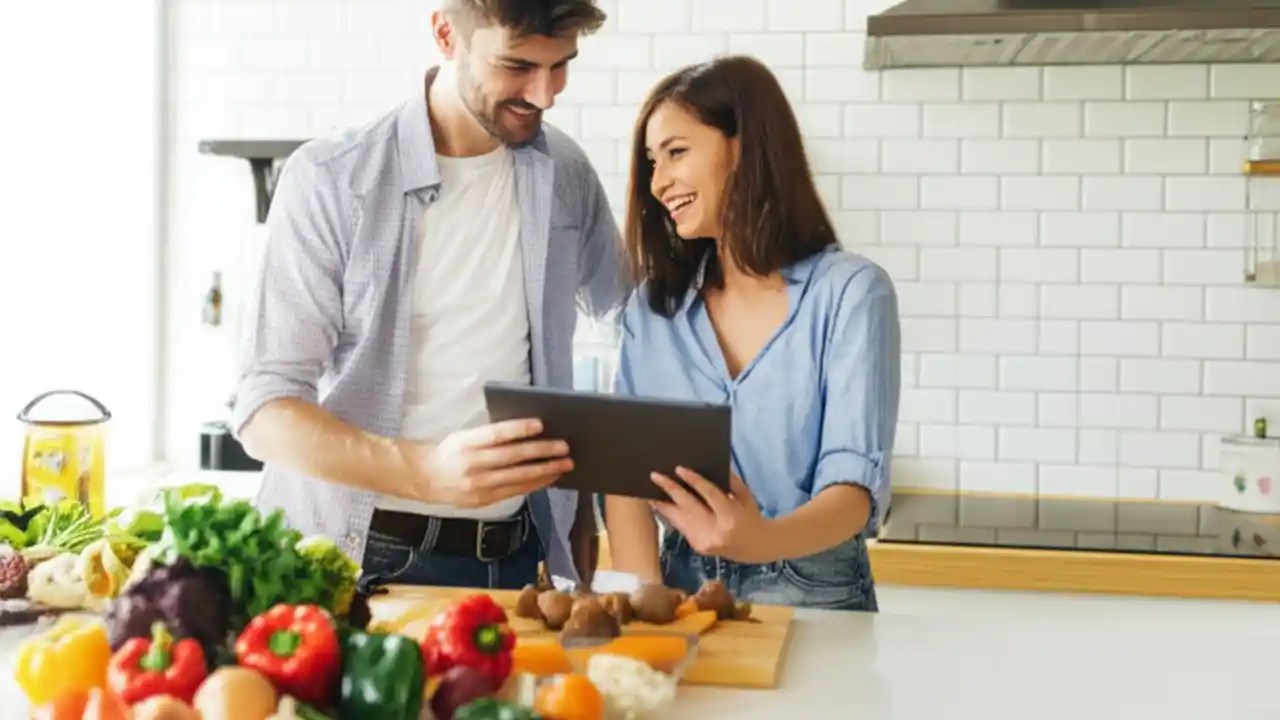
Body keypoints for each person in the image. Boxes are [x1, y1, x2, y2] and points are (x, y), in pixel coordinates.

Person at [233, 0, 628, 592]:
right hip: (361, 556)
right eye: (517, 66)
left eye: (561, 65)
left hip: (521, 560)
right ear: (446, 34)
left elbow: (640, 315)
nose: (545, 95)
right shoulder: (332, 178)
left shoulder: (564, 171)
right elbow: (264, 408)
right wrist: (428, 472)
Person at [603, 56, 901, 611]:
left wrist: (757, 540)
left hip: (816, 587)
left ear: (743, 146)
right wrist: (647, 604)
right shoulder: (652, 309)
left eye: (677, 152)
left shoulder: (851, 293)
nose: (658, 182)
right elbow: (626, 482)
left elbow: (854, 489)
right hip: (680, 584)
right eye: (651, 161)